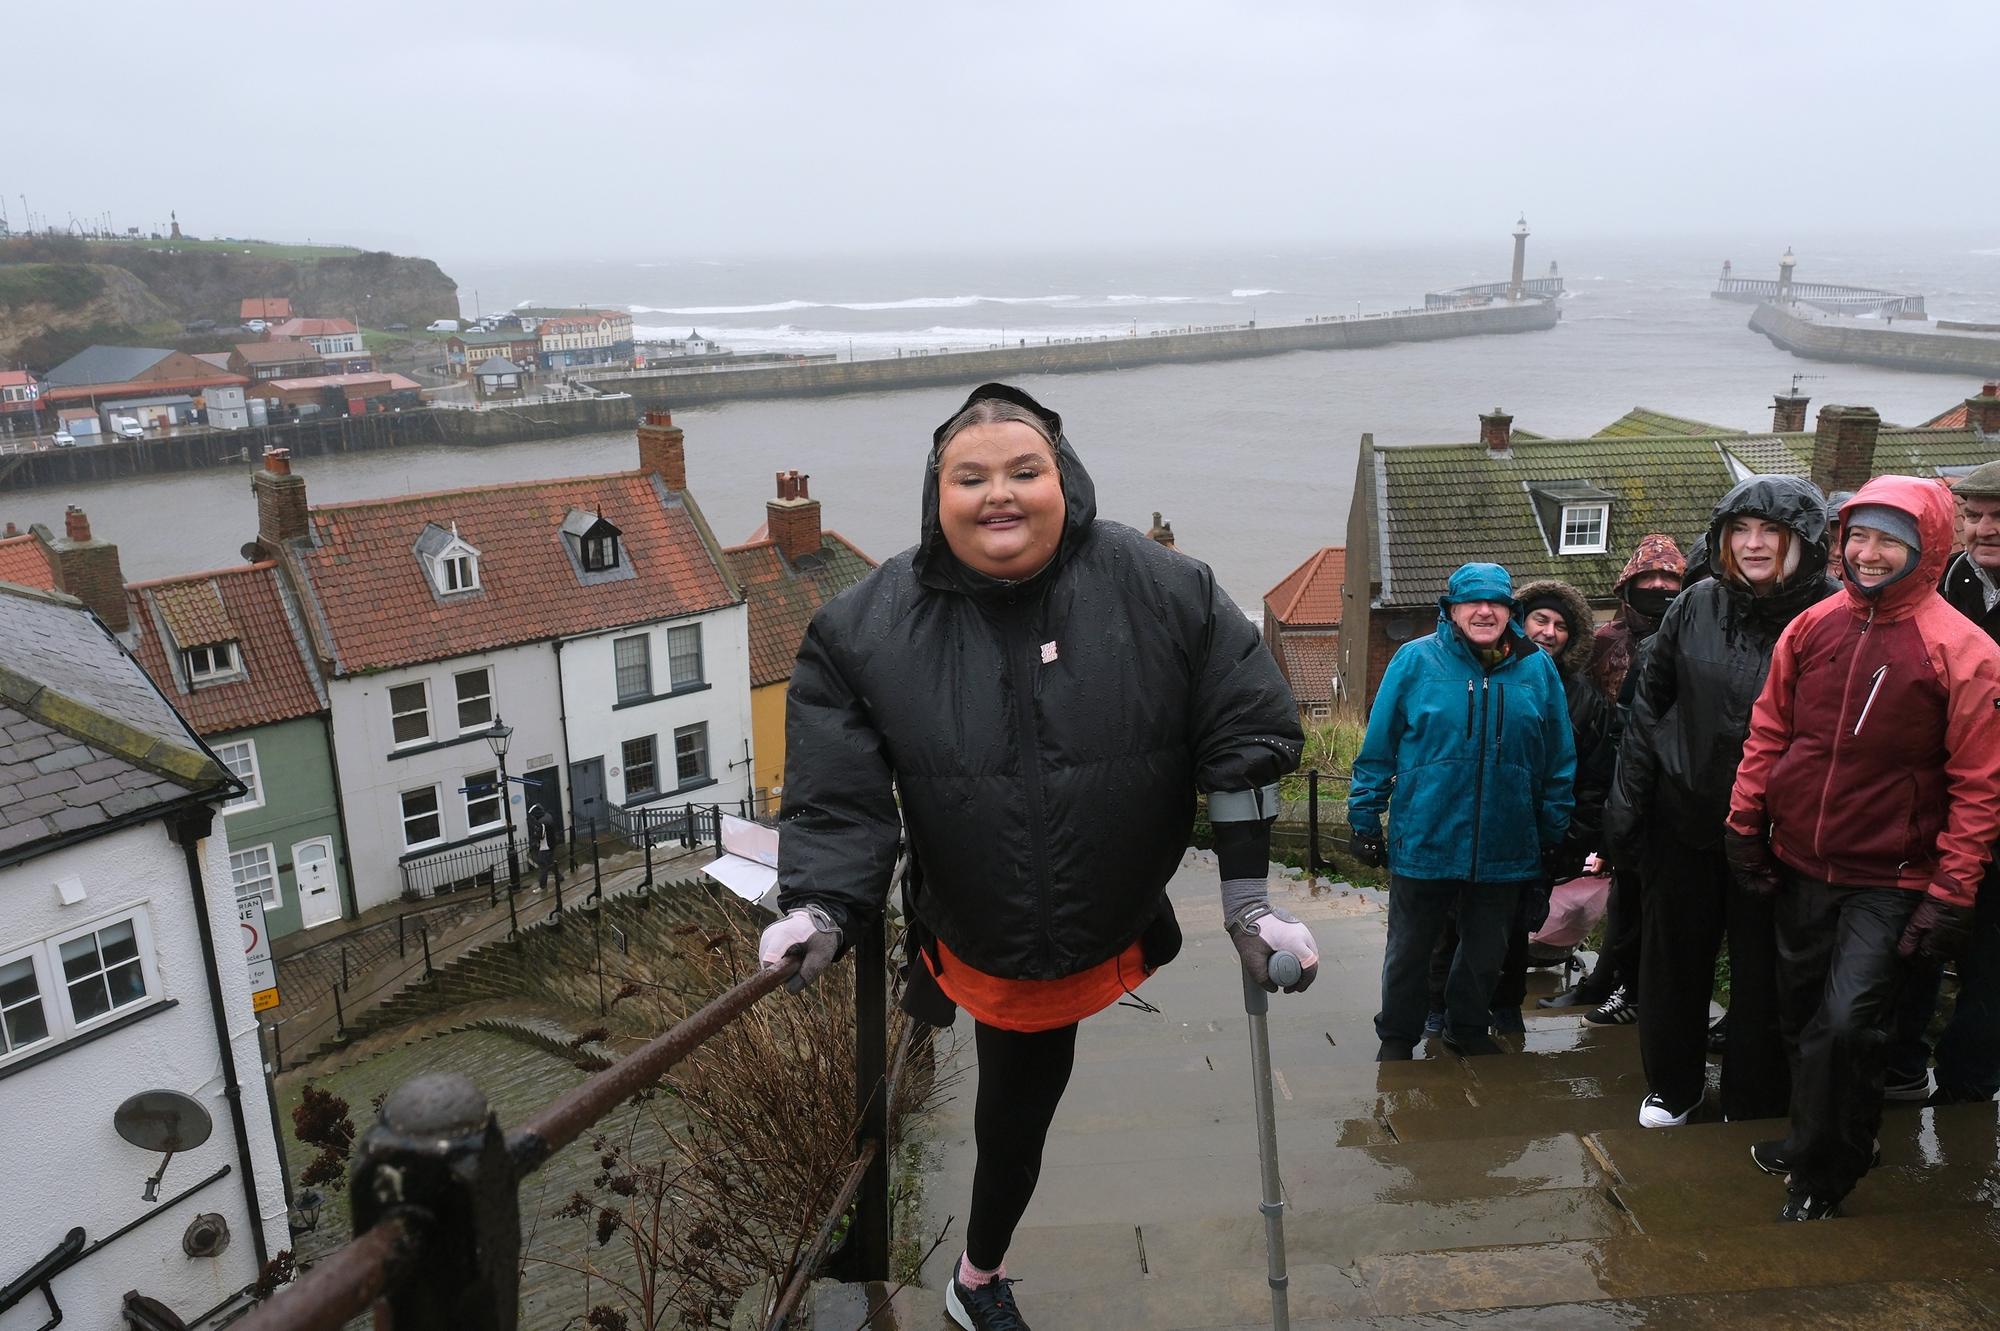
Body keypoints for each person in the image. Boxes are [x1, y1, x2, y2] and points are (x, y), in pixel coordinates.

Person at [756, 384, 1315, 1331]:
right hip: (987, 932)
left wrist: (1249, 899)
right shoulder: (866, 627)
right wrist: (822, 906)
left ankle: (975, 1267)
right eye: (970, 477)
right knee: (1018, 1112)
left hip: (1112, 912)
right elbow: (840, 792)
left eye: (1025, 470)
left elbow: (1245, 723)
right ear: (936, 495)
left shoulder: (1161, 586)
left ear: (1067, 480)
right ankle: (976, 1278)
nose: (999, 494)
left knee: (1023, 1101)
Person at [1726, 477, 2000, 1219]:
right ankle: (1819, 1136)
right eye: (1859, 537)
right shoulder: (1813, 626)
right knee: (1802, 1016)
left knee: (1848, 1023)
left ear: (1927, 546)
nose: (1869, 554)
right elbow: (1769, 731)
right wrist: (1745, 824)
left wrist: (1952, 892)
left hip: (1892, 876)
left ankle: (1825, 1172)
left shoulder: (1962, 650)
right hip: (1802, 860)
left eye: (1890, 540)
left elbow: (1980, 785)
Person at [1606, 476, 1836, 1130]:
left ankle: (1753, 1096)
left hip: (1778, 834)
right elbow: (1649, 707)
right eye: (1741, 530)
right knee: (1673, 963)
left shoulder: (1832, 614)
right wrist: (1627, 805)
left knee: (1765, 973)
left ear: (1804, 539)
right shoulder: (1695, 604)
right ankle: (1672, 1086)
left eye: (1771, 531)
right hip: (1685, 819)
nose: (1754, 544)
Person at [1349, 563, 1575, 1060]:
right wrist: (1364, 817)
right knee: (1409, 949)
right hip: (1425, 833)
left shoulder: (1537, 669)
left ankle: (1467, 1028)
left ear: (1511, 612)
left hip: (1505, 838)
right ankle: (1398, 1037)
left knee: (1486, 949)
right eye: (1472, 602)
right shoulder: (1415, 661)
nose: (1484, 611)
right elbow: (1378, 747)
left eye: (1496, 603)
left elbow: (1558, 758)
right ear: (1451, 611)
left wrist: (1551, 830)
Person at [1428, 578, 1609, 1034]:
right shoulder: (1485, 676)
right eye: (1540, 620)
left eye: (1561, 626)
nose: (1549, 632)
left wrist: (1567, 839)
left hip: (1537, 833)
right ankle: (1439, 1006)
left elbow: (1591, 776)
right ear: (1520, 622)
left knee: (1515, 926)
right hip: (1469, 824)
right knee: (1450, 922)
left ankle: (1506, 1005)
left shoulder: (1585, 699)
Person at [1886, 461, 2000, 1105]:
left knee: (1990, 967)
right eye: (1975, 516)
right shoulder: (1941, 583)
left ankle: (1968, 1087)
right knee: (1920, 943)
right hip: (1934, 806)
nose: (1986, 529)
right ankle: (1902, 1068)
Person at [1550, 536, 1687, 1019]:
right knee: (1619, 890)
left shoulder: (1693, 635)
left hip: (1671, 785)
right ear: (1628, 585)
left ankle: (1630, 987)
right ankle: (1606, 981)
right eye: (1648, 578)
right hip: (1611, 782)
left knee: (1650, 895)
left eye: (1670, 579)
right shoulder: (1603, 642)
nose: (1659, 587)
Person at [527, 802, 563, 890]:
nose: (532, 817)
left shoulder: (541, 822)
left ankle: (542, 887)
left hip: (545, 847)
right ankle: (559, 877)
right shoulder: (548, 816)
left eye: (533, 815)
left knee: (543, 865)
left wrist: (535, 833)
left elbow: (541, 835)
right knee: (550, 863)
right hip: (552, 844)